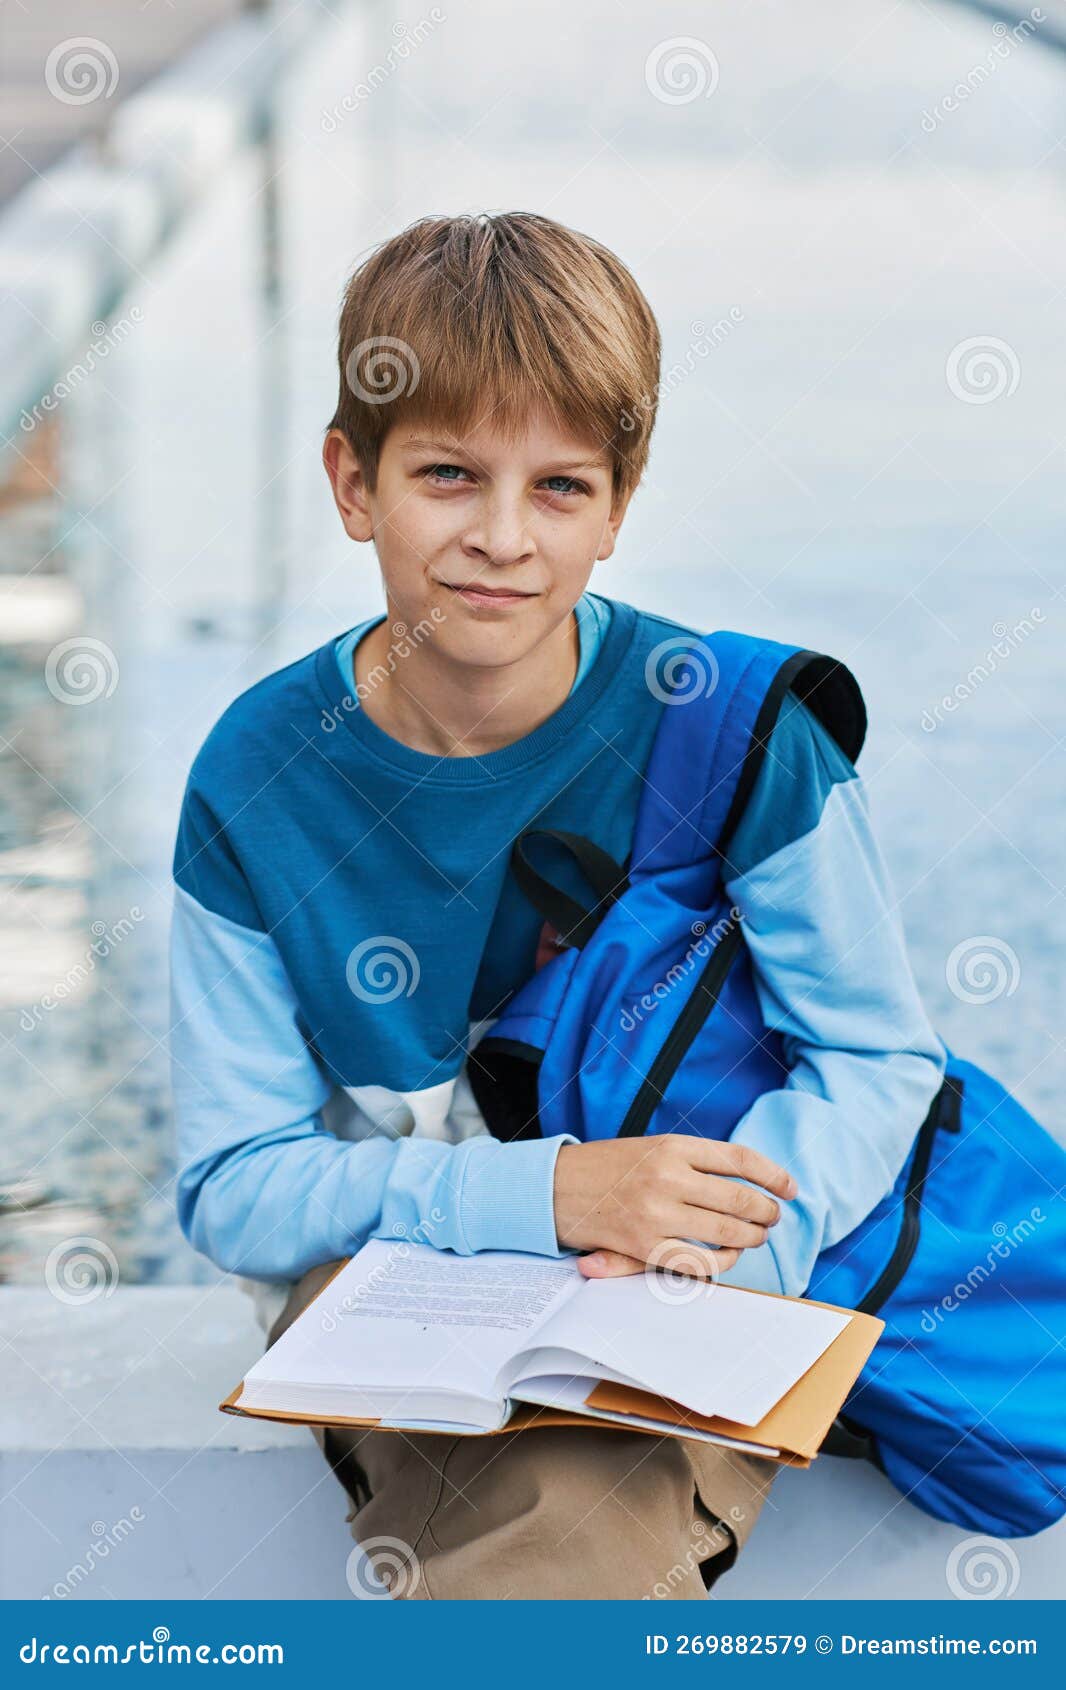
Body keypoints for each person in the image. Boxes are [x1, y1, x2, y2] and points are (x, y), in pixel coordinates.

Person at [170, 211, 944, 1600]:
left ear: (619, 507)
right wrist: (540, 1192)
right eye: (448, 475)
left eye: (560, 488)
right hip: (405, 1279)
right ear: (353, 481)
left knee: (573, 1527)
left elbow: (879, 1056)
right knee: (543, 1528)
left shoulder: (734, 734)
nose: (501, 539)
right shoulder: (254, 772)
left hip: (682, 1277)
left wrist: (725, 1248)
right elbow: (234, 1182)